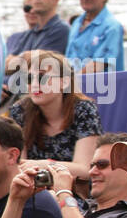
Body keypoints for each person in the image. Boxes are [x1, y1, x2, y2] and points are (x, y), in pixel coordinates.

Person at [7, 50, 101, 179]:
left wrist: (45, 165)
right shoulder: (20, 111)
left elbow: (85, 170)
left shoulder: (84, 110)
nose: (34, 84)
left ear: (64, 82)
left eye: (42, 77)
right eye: (29, 79)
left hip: (73, 189)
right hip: (31, 187)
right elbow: (18, 167)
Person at [65, 0, 124, 73]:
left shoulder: (111, 27)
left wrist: (73, 83)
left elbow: (99, 65)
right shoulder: (76, 24)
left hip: (101, 87)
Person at [5, 0, 70, 61]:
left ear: (56, 0)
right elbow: (5, 64)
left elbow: (40, 65)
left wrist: (17, 60)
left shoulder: (61, 30)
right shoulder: (30, 34)